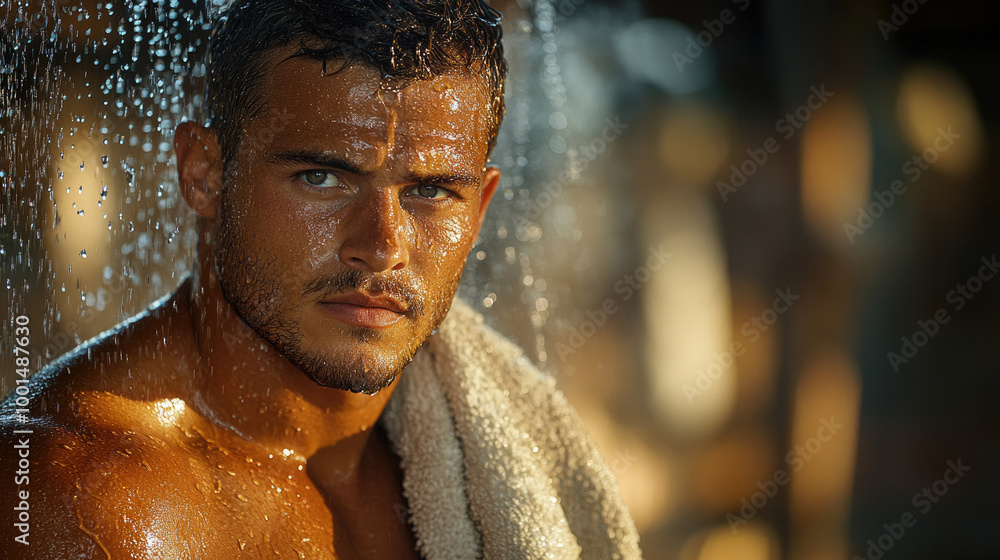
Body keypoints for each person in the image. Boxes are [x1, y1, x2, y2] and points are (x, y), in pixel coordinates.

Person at [1, 1, 641, 558]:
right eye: (322, 177)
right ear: (203, 173)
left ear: (479, 211)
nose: (382, 249)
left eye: (429, 191)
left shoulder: (476, 469)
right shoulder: (76, 493)